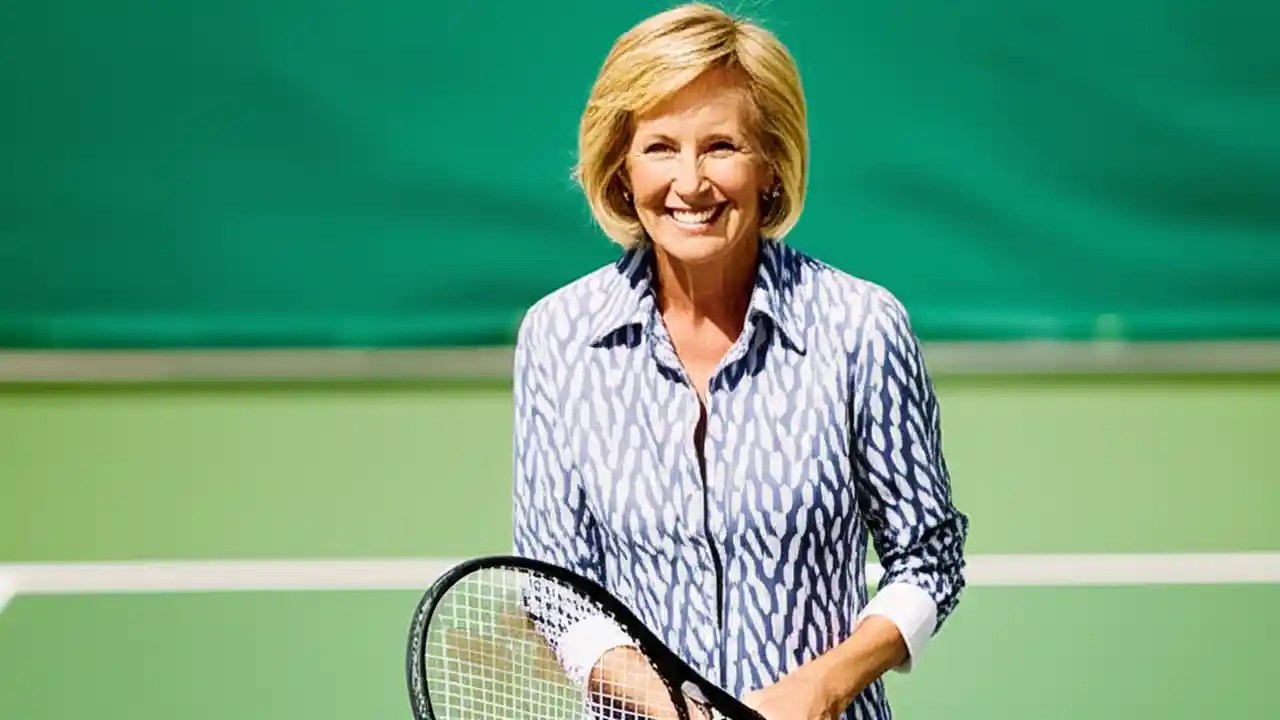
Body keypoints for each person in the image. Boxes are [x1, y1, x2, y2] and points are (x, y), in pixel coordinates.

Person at [511, 4, 968, 719]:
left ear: (771, 169)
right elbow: (556, 589)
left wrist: (822, 687)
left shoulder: (862, 328)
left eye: (721, 145)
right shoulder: (556, 338)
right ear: (622, 171)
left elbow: (928, 559)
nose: (690, 183)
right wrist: (670, 708)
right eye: (660, 147)